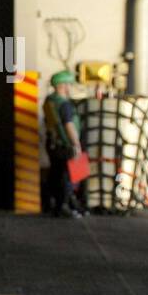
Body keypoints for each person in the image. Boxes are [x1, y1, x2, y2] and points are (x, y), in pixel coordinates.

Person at [43, 70, 84, 218]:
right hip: (65, 145)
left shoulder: (49, 100)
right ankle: (65, 206)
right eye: (68, 84)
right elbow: (69, 125)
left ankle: (53, 205)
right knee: (69, 177)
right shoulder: (64, 104)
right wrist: (77, 144)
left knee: (55, 173)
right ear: (62, 86)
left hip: (52, 143)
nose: (69, 87)